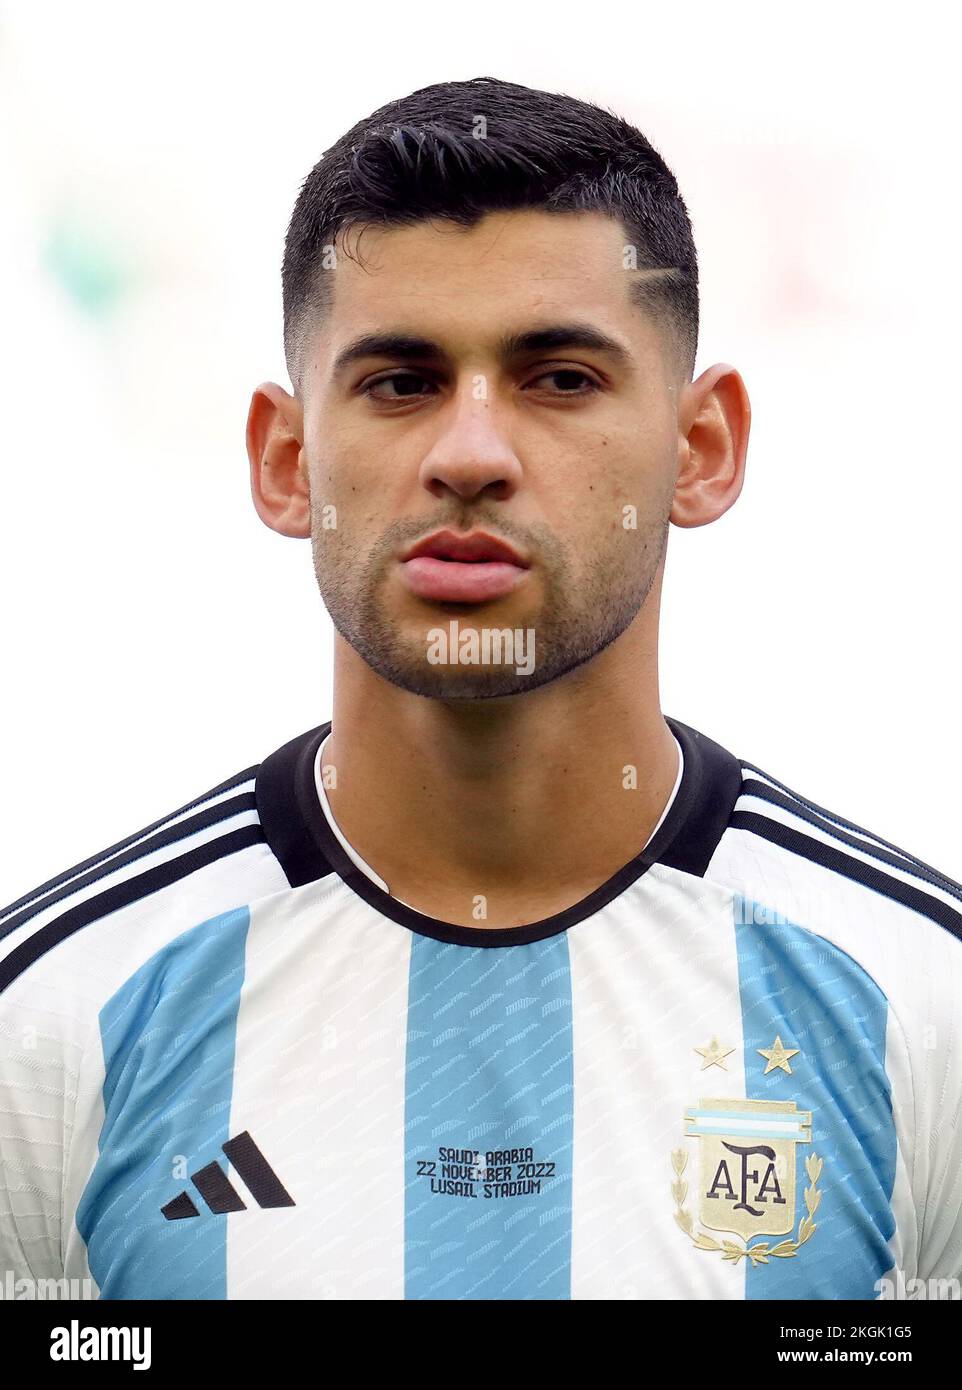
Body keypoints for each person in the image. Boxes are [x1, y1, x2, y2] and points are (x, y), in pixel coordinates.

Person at [2, 75, 960, 1303]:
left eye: (558, 377)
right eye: (399, 382)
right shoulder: (49, 1025)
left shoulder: (917, 1010)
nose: (469, 454)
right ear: (287, 461)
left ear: (700, 447)